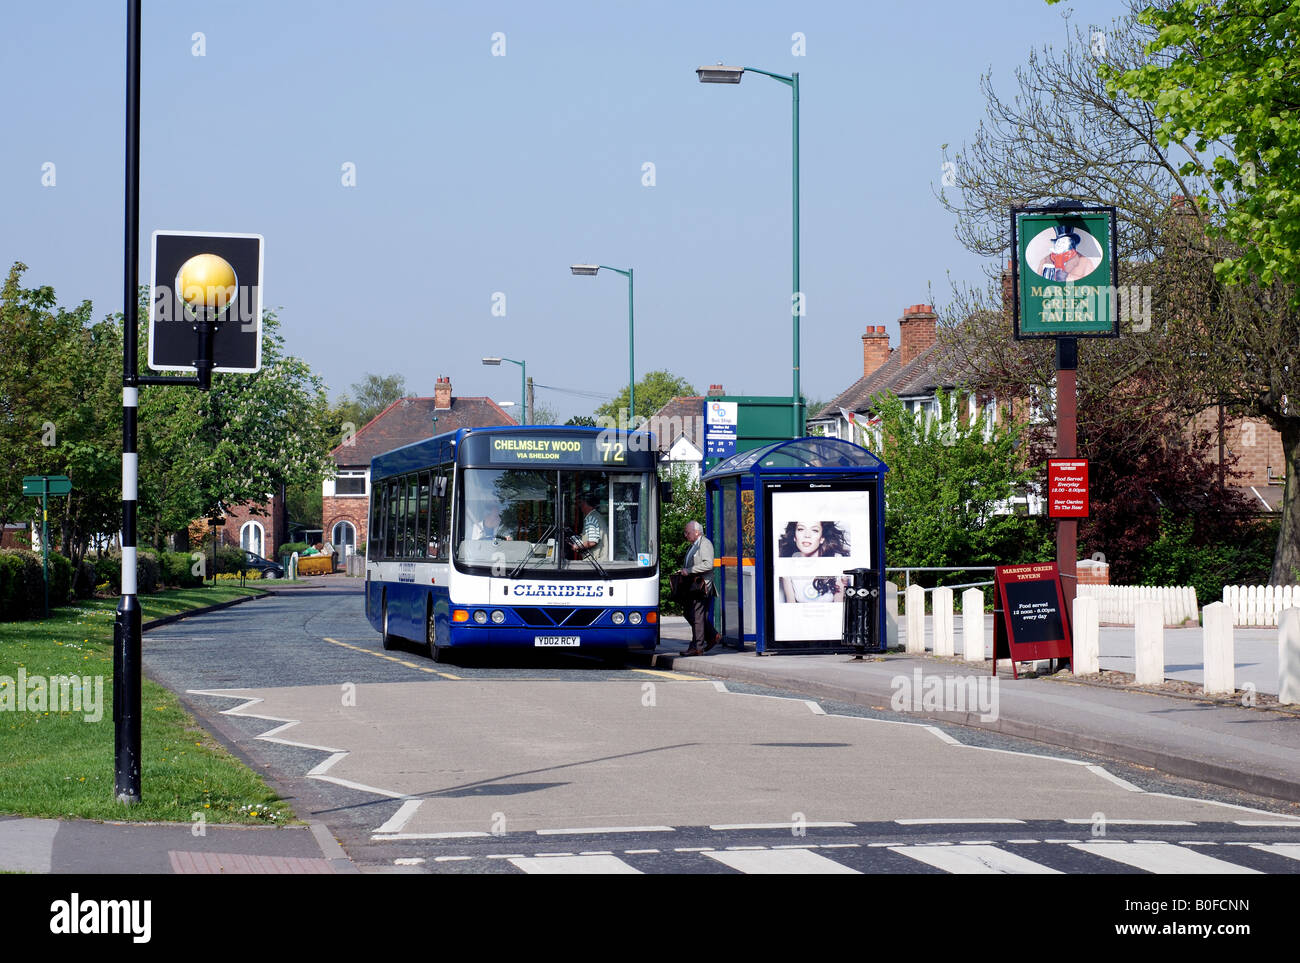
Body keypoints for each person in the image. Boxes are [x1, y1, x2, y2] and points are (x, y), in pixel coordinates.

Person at [679, 520, 721, 656]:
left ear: (697, 532)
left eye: (688, 532)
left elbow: (708, 564)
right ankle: (712, 635)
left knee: (697, 615)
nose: (686, 535)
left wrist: (690, 570)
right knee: (690, 613)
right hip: (694, 586)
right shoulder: (694, 545)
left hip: (702, 585)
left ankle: (697, 647)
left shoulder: (705, 544)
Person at [777, 520, 850, 558]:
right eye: (801, 529)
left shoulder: (836, 559)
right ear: (794, 537)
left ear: (822, 538)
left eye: (814, 530)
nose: (807, 535)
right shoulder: (786, 562)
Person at [573, 494, 607, 558]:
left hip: (597, 560)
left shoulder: (591, 518)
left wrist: (577, 546)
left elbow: (592, 542)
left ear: (586, 504)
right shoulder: (597, 516)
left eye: (581, 503)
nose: (580, 506)